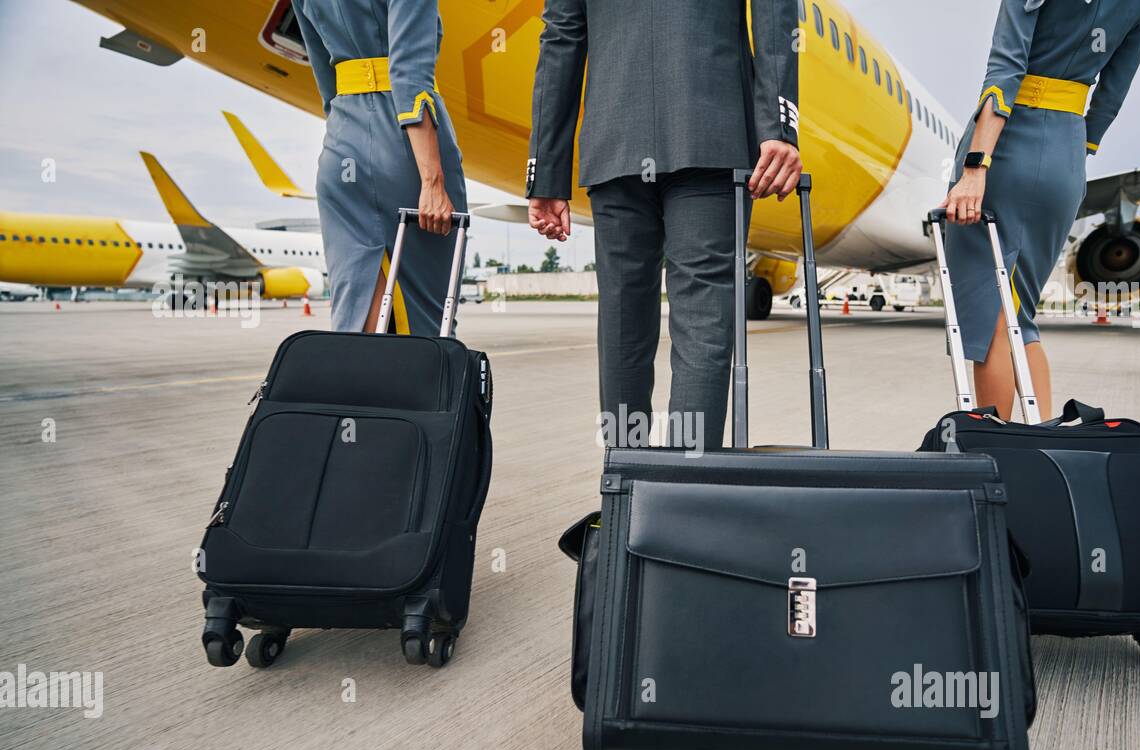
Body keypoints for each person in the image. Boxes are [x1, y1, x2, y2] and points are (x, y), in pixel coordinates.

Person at [525, 0, 802, 449]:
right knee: (703, 322)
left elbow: (561, 38)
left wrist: (547, 171)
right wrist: (778, 126)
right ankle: (686, 489)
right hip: (710, 131)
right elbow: (776, 16)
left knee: (621, 321)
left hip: (614, 138)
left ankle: (624, 483)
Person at [942, 0, 1140, 419]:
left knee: (991, 314)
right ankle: (1042, 445)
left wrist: (976, 166)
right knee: (1020, 313)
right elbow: (1114, 90)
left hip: (1006, 149)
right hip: (1066, 151)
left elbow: (1004, 72)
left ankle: (993, 452)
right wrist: (1075, 150)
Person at [292, 0, 467, 335]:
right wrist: (432, 180)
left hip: (341, 142)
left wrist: (349, 127)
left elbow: (324, 74)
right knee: (429, 318)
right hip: (403, 149)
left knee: (355, 315)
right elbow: (410, 73)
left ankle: (356, 387)